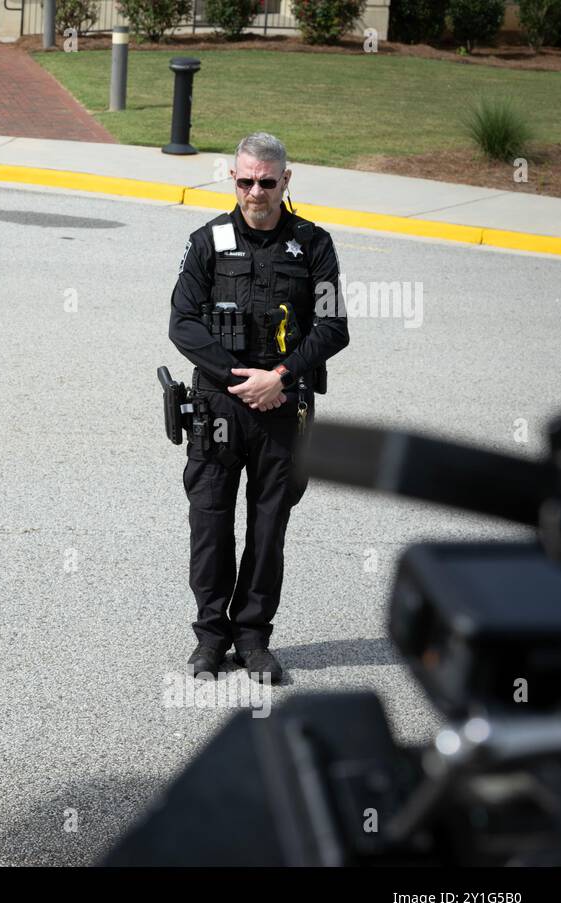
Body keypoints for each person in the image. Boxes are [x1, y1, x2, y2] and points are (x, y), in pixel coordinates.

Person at [169, 132, 350, 685]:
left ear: (285, 181)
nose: (255, 192)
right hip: (218, 410)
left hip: (282, 408)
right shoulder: (207, 241)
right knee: (210, 526)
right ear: (234, 179)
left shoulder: (314, 245)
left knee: (269, 528)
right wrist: (235, 379)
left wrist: (279, 376)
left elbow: (333, 327)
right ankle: (209, 637)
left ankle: (253, 639)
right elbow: (183, 323)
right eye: (245, 180)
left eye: (266, 182)